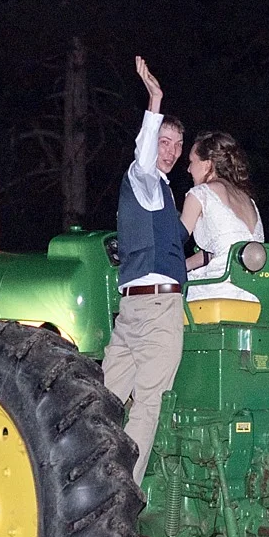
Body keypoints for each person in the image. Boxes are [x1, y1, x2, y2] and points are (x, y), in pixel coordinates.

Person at [102, 56, 187, 483]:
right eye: (164, 141)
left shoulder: (166, 196)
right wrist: (154, 100)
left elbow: (170, 258)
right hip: (150, 315)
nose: (169, 152)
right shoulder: (145, 181)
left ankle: (101, 484)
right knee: (142, 404)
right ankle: (119, 492)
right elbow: (143, 158)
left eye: (176, 145)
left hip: (136, 310)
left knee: (109, 403)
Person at [180, 130, 264, 304]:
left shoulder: (200, 194)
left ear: (207, 164)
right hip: (254, 292)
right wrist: (185, 264)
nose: (188, 169)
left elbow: (173, 244)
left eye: (191, 162)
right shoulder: (248, 200)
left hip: (222, 290)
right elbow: (226, 249)